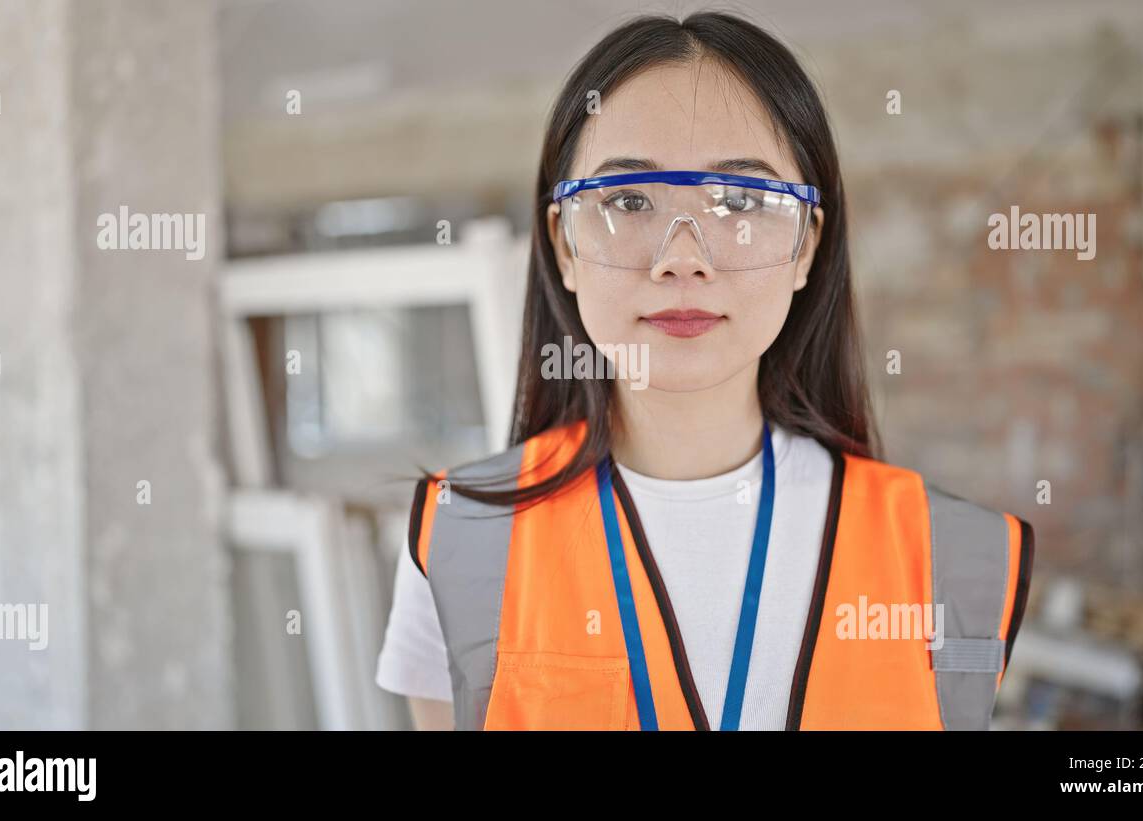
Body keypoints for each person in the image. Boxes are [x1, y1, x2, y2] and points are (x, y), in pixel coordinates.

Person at [377, 11, 1033, 731]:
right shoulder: (460, 541)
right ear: (563, 245)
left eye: (741, 200)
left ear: (806, 248)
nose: (681, 257)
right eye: (628, 200)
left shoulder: (962, 557)